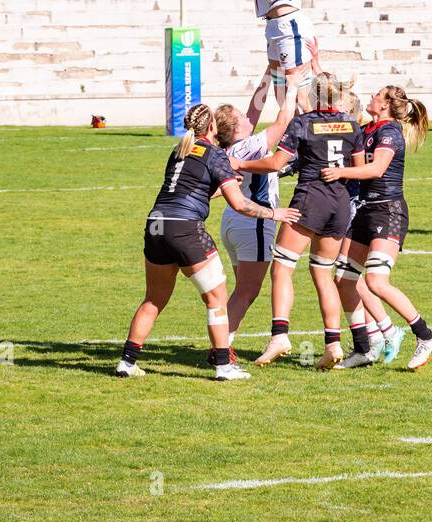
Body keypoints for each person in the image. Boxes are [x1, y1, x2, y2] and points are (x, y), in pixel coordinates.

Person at [114, 104, 299, 380]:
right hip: (185, 228)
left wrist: (224, 183)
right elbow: (239, 204)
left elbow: (192, 188)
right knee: (217, 300)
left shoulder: (179, 150)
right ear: (212, 127)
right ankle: (223, 366)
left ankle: (126, 363)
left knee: (153, 299)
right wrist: (275, 213)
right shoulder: (214, 154)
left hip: (156, 224)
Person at [232, 73, 363, 370]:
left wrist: (240, 163)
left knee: (282, 268)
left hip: (310, 199)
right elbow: (358, 168)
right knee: (322, 274)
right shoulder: (352, 124)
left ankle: (280, 336)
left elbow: (276, 163)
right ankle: (333, 344)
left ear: (315, 95)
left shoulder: (303, 123)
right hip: (340, 204)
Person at [322, 86, 432, 370]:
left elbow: (376, 169)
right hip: (364, 211)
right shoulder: (369, 129)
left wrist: (341, 172)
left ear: (386, 104)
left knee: (376, 282)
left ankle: (425, 335)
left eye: (377, 94)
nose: (372, 97)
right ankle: (365, 347)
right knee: (343, 278)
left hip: (388, 212)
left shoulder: (389, 132)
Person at [214, 65, 303, 362]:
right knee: (247, 292)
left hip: (231, 222)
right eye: (241, 118)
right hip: (253, 222)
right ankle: (220, 348)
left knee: (241, 289)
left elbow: (255, 106)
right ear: (237, 128)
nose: (248, 117)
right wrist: (292, 86)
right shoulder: (251, 144)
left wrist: (268, 73)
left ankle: (223, 343)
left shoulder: (233, 145)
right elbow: (283, 120)